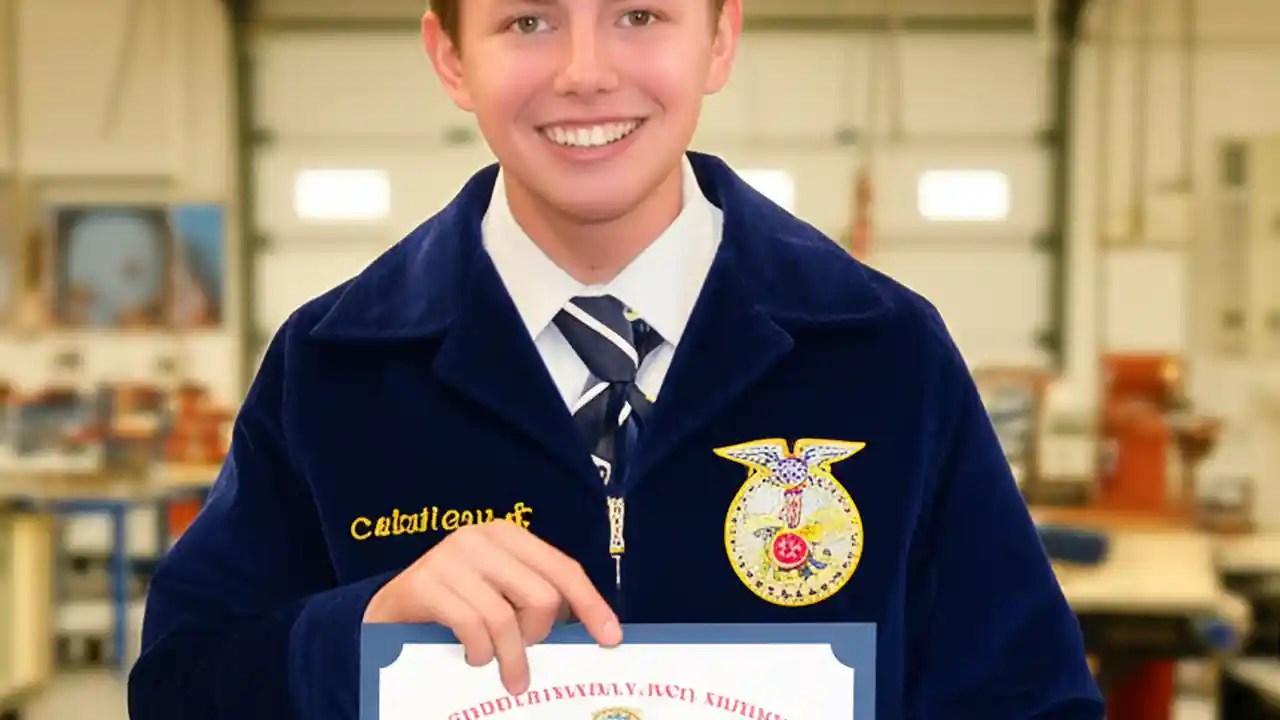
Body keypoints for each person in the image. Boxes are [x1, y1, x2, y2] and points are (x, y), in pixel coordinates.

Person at [128, 0, 1104, 718]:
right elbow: (177, 689)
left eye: (639, 14)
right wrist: (356, 632)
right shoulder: (333, 368)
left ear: (719, 36)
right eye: (525, 22)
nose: (585, 71)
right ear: (449, 54)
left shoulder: (884, 354)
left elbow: (1028, 699)